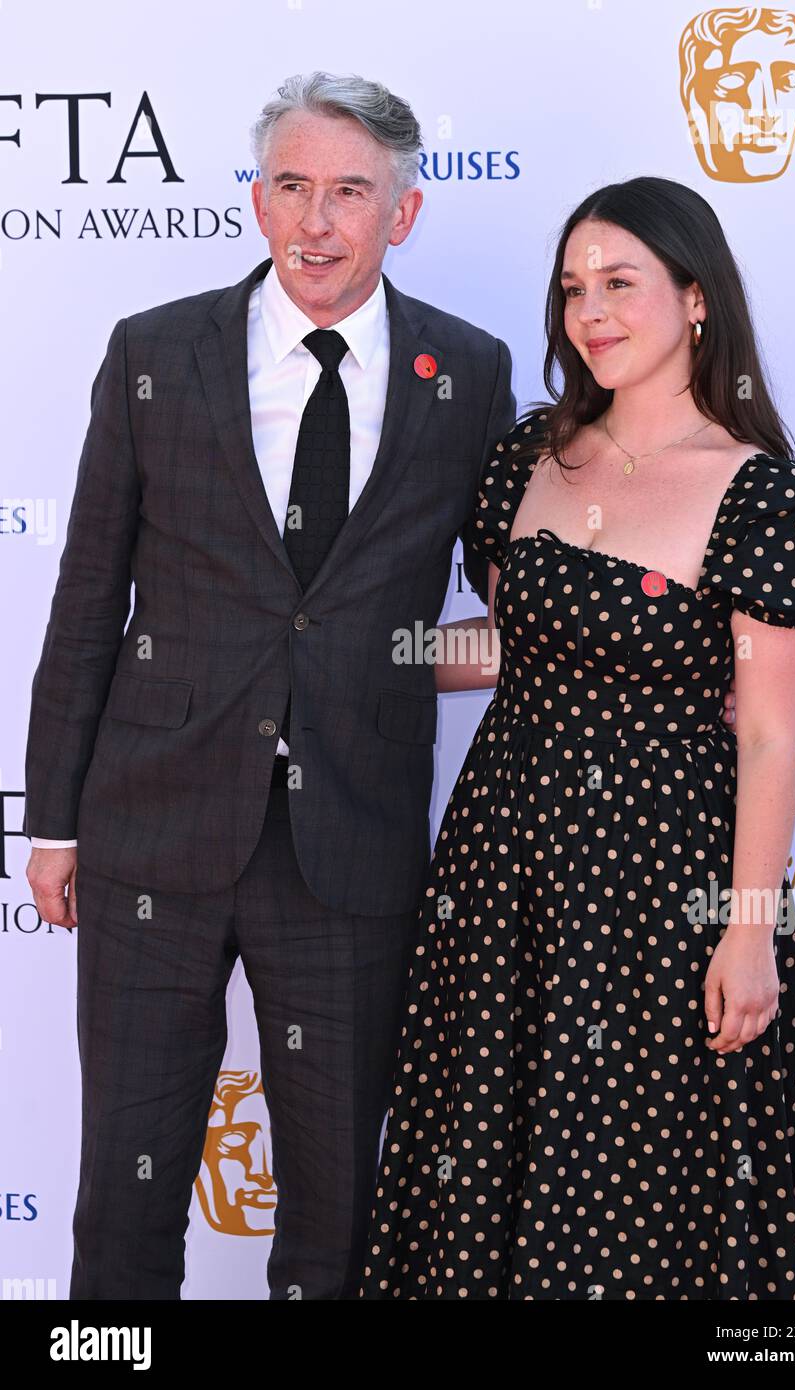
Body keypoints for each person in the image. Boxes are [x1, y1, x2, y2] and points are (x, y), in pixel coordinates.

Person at [22, 70, 516, 1300]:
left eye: (350, 191)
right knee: (125, 1198)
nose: (316, 220)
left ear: (401, 214)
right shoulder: (156, 353)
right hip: (153, 831)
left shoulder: (468, 370)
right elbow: (89, 596)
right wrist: (54, 816)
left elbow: (513, 612)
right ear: (256, 199)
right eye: (292, 185)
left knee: (337, 1202)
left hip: (350, 849)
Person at [361, 176, 795, 1300]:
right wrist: (347, 652)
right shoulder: (526, 461)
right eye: (573, 288)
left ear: (696, 298)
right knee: (483, 1157)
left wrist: (747, 932)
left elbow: (770, 737)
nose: (588, 311)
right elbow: (510, 646)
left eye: (619, 283)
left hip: (661, 893)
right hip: (504, 877)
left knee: (640, 1182)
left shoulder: (772, 499)